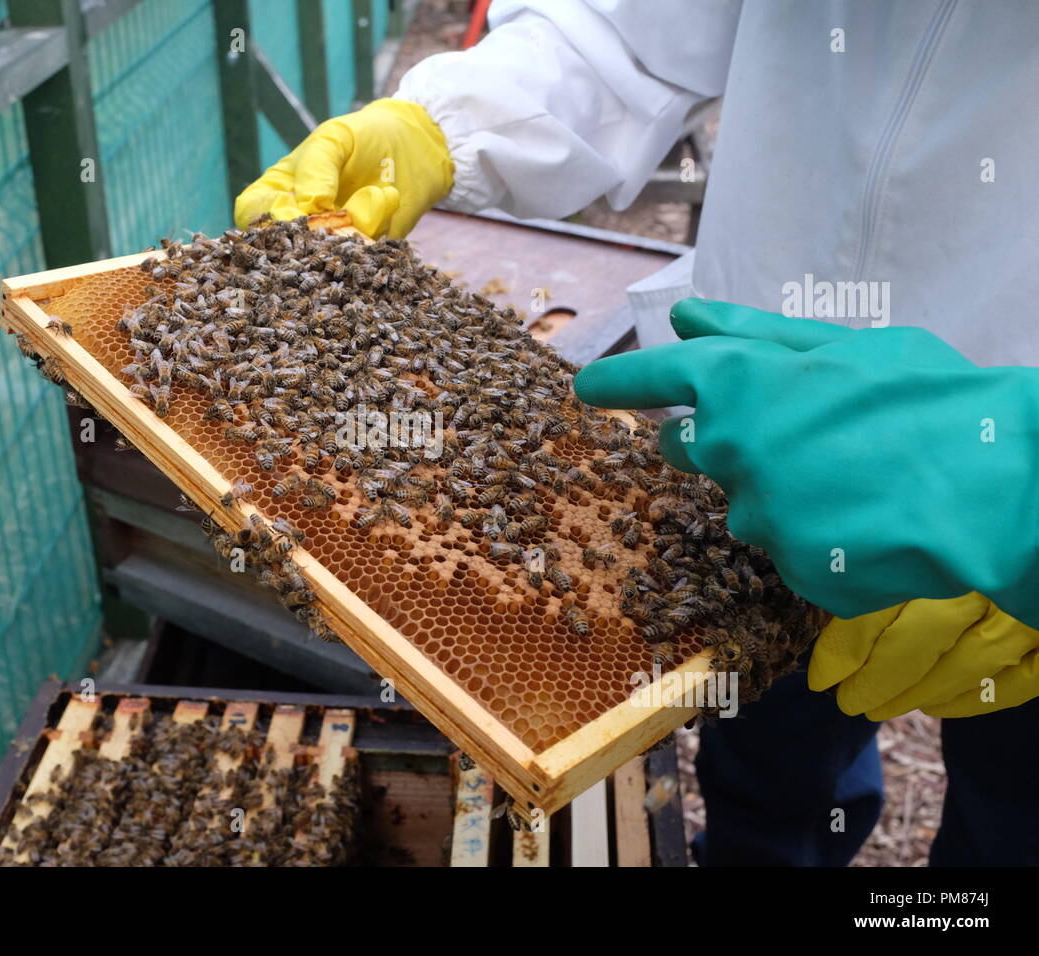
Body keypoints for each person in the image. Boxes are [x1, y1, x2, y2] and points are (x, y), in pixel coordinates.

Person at [235, 0, 1039, 865]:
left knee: (1015, 823)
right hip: (758, 434)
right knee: (768, 772)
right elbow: (629, 31)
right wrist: (443, 121)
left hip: (1005, 489)